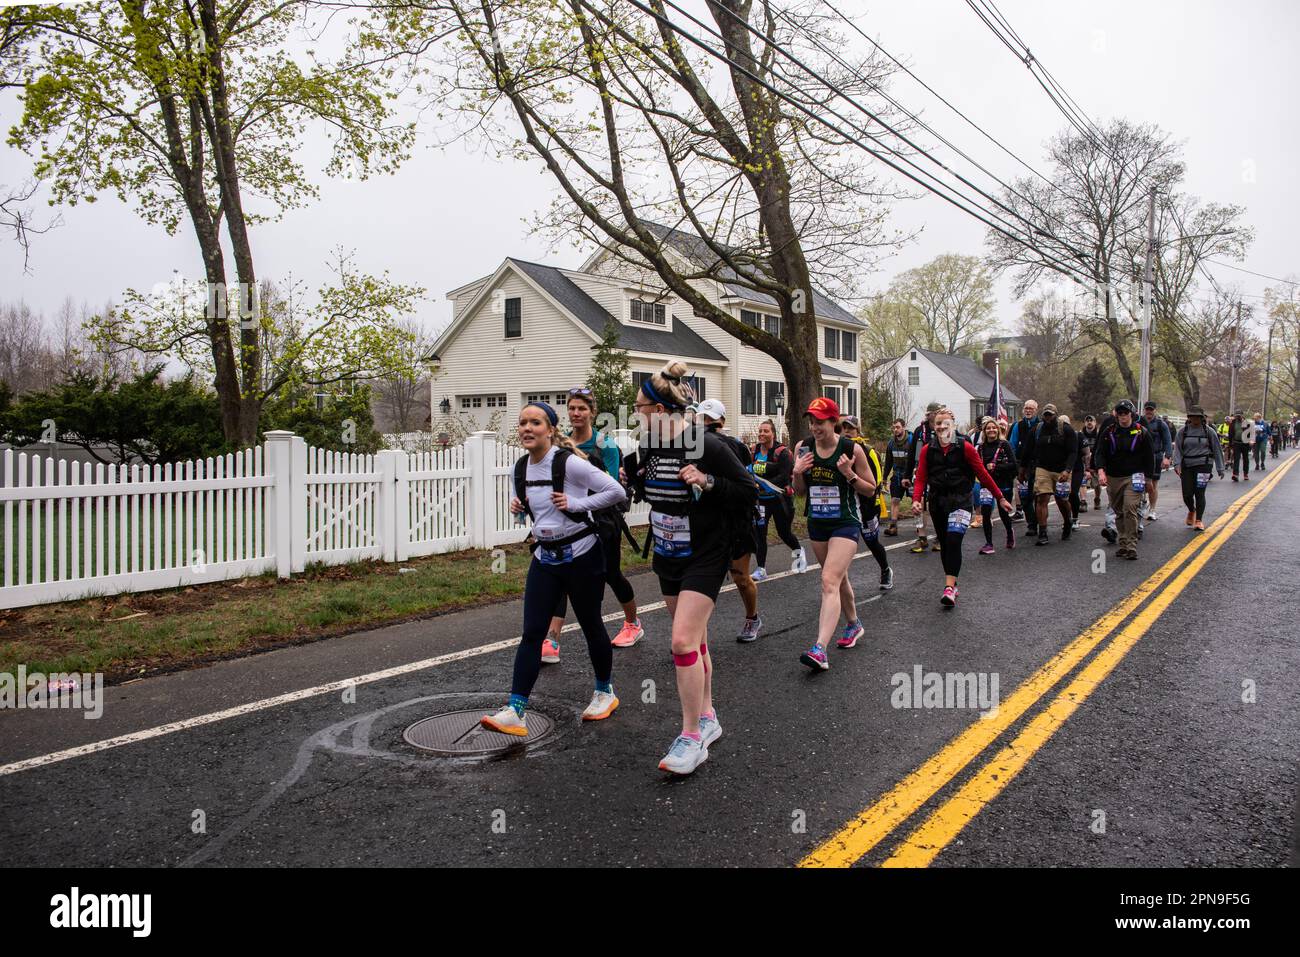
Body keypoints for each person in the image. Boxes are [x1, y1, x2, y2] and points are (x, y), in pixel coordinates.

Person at [623, 361, 758, 775]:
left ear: (661, 411)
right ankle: (708, 716)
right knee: (695, 642)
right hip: (668, 553)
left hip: (706, 553)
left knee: (680, 642)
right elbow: (643, 491)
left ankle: (691, 738)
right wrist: (629, 483)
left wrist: (707, 481)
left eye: (641, 406)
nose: (635, 411)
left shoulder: (708, 446)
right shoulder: (646, 450)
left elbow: (749, 492)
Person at [480, 402, 627, 737]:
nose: (527, 429)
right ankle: (516, 710)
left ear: (550, 429)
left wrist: (577, 504)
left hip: (582, 554)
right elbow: (534, 517)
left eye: (535, 423)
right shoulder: (519, 469)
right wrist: (518, 509)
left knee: (591, 624)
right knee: (532, 632)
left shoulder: (569, 463)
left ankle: (605, 692)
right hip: (546, 557)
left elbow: (614, 491)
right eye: (522, 423)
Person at [541, 388, 645, 664]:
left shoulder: (605, 445)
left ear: (592, 412)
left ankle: (633, 623)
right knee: (561, 575)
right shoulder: (559, 445)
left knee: (611, 574)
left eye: (582, 409)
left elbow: (611, 486)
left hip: (602, 521)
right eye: (572, 408)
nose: (576, 413)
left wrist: (580, 493)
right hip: (568, 521)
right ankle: (552, 638)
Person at [792, 398, 877, 670]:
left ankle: (820, 649)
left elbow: (870, 489)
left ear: (833, 422)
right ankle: (854, 624)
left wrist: (849, 474)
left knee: (828, 580)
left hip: (845, 522)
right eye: (812, 421)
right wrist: (796, 473)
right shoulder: (803, 448)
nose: (815, 427)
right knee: (838, 580)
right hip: (817, 523)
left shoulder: (852, 449)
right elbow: (801, 492)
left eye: (820, 422)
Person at [911, 407, 1012, 606]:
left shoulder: (965, 447)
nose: (941, 427)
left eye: (945, 423)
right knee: (945, 543)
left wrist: (1000, 497)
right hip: (938, 502)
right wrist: (916, 499)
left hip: (961, 501)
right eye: (938, 423)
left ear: (953, 426)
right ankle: (952, 582)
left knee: (954, 539)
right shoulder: (927, 450)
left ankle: (948, 588)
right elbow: (921, 477)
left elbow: (983, 474)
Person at [696, 399, 763, 644]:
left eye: (711, 420)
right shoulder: (692, 446)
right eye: (702, 419)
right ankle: (693, 632)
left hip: (736, 519)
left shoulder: (737, 446)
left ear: (721, 422)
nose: (706, 424)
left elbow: (750, 484)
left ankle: (752, 617)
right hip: (706, 521)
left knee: (741, 576)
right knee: (701, 579)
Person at [1094, 399, 1155, 560]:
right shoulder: (1109, 432)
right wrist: (1100, 471)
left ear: (1132, 414)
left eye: (1126, 413)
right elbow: (1099, 453)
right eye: (1120, 413)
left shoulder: (1142, 432)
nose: (1123, 416)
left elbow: (1150, 457)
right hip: (1114, 477)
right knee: (1119, 512)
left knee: (1130, 509)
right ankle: (1123, 543)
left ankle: (1132, 546)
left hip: (1134, 477)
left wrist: (1149, 480)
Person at [841, 415, 895, 591]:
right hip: (847, 505)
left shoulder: (868, 451)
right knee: (843, 542)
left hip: (867, 504)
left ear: (858, 430)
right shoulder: (839, 448)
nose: (847, 431)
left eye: (851, 428)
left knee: (871, 541)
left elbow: (877, 481)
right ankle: (838, 581)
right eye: (845, 428)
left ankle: (885, 569)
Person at [749, 418, 805, 582]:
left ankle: (798, 552)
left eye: (766, 431)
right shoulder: (754, 451)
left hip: (780, 499)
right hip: (761, 501)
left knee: (784, 533)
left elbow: (784, 476)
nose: (762, 434)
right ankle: (761, 569)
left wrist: (763, 484)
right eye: (760, 431)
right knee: (760, 533)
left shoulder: (782, 452)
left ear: (773, 434)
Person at [1024, 403, 1077, 545]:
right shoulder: (1037, 430)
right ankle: (1042, 532)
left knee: (1062, 500)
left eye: (1050, 415)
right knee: (1042, 499)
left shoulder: (1066, 429)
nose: (1048, 418)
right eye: (1046, 415)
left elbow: (1073, 452)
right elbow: (1027, 451)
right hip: (1043, 468)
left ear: (1056, 415)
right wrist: (1022, 470)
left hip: (1062, 469)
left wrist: (1067, 470)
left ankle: (1068, 522)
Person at [1172, 406, 1225, 531]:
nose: (1195, 419)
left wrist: (1220, 468)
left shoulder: (1209, 431)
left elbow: (1217, 449)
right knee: (1187, 494)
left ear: (1202, 418)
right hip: (1187, 465)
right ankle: (1191, 510)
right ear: (1189, 417)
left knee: (1199, 492)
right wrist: (1176, 464)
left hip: (1204, 465)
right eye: (1192, 416)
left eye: (1197, 417)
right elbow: (1178, 449)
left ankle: (1199, 520)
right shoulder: (1183, 431)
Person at [975, 416, 1017, 554]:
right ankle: (989, 543)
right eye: (988, 428)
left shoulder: (1004, 444)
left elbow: (1014, 465)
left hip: (1003, 483)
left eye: (993, 428)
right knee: (986, 513)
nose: (991, 430)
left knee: (1003, 513)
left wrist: (996, 467)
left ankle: (1010, 534)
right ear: (984, 431)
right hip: (986, 485)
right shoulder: (980, 448)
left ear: (997, 430)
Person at [905, 403, 941, 552]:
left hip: (939, 474)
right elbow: (912, 453)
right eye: (935, 412)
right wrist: (907, 475)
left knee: (937, 506)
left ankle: (940, 537)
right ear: (929, 414)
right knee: (918, 505)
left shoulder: (944, 429)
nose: (937, 415)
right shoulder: (920, 431)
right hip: (920, 472)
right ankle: (922, 538)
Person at [1010, 400, 1041, 531]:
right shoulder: (1018, 425)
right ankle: (1031, 524)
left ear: (1036, 410)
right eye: (1026, 408)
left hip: (1038, 465)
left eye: (1031, 409)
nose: (1028, 411)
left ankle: (1041, 522)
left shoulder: (1041, 425)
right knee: (1024, 496)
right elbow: (1012, 444)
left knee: (1038, 496)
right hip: (1022, 465)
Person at [1141, 401, 1172, 521]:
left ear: (1155, 410)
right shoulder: (1139, 422)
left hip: (1156, 457)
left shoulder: (1161, 424)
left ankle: (1152, 510)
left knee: (1153, 484)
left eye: (1151, 409)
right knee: (1139, 483)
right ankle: (1141, 505)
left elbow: (1167, 441)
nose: (1149, 411)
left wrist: (1167, 457)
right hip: (1141, 458)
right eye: (1147, 409)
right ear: (1144, 410)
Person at [881, 419, 913, 536]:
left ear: (904, 427)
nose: (895, 430)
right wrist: (884, 478)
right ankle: (893, 527)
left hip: (911, 476)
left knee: (918, 502)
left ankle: (921, 528)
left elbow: (919, 459)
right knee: (895, 500)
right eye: (893, 427)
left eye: (898, 427)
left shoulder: (912, 441)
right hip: (897, 476)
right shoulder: (891, 443)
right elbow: (888, 462)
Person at [1059, 414, 1086, 529]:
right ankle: (1067, 518)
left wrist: (1088, 469)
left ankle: (1075, 518)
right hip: (1062, 469)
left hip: (1077, 469)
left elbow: (1086, 452)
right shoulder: (1057, 436)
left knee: (1073, 493)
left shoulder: (1078, 435)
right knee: (1062, 495)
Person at [1078, 413, 1101, 512]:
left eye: (1091, 421)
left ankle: (1097, 498)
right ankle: (1083, 502)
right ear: (1085, 423)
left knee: (1097, 483)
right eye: (1087, 421)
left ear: (1095, 423)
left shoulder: (1099, 434)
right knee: (1082, 481)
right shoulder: (1080, 434)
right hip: (1083, 460)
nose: (1089, 423)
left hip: (1095, 460)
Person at [1230, 411, 1254, 481]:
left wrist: (1251, 440)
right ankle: (1235, 474)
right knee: (1236, 459)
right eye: (1237, 415)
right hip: (1236, 443)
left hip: (1245, 443)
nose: (1238, 417)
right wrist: (1230, 445)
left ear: (1242, 415)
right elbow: (1230, 434)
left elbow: (1251, 432)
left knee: (1245, 459)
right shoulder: (1233, 423)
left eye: (1239, 415)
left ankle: (1245, 473)